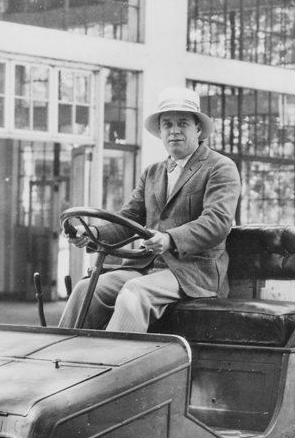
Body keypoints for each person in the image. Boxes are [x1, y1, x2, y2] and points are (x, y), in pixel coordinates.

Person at [59, 86, 241, 333]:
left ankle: (115, 368)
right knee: (86, 288)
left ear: (198, 129)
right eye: (167, 124)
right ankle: (63, 358)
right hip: (147, 267)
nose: (174, 130)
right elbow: (128, 219)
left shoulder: (220, 167)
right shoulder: (153, 173)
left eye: (182, 123)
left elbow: (217, 222)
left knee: (135, 294)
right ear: (160, 131)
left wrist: (169, 239)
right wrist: (91, 232)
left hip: (194, 273)